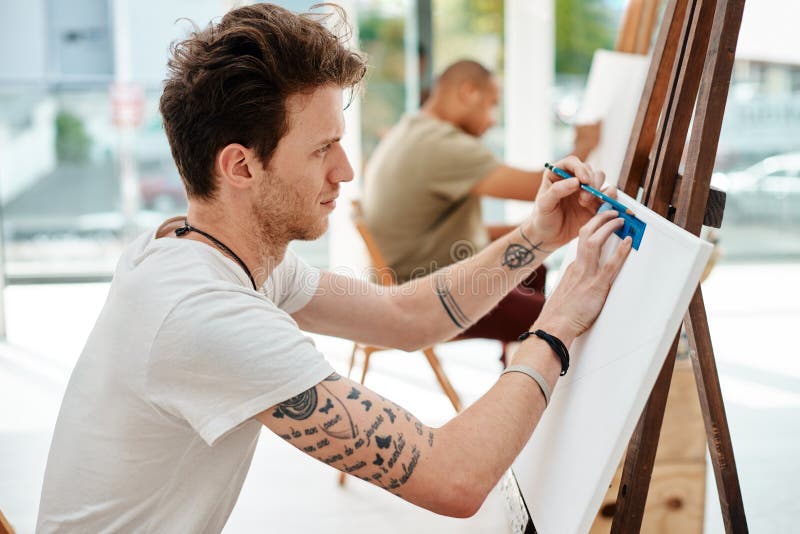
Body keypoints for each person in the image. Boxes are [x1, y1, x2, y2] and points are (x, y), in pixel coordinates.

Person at [36, 4, 631, 532]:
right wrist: (557, 324)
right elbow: (454, 478)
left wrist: (537, 237)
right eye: (322, 148)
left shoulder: (217, 253)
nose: (344, 170)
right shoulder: (203, 315)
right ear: (241, 167)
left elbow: (406, 316)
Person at [362, 60, 601, 344]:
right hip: (422, 291)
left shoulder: (413, 129)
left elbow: (444, 234)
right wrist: (584, 146)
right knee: (561, 320)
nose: (492, 120)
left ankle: (516, 359)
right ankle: (527, 361)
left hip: (409, 274)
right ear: (468, 92)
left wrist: (536, 231)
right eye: (491, 105)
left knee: (534, 267)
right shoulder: (441, 145)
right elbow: (538, 187)